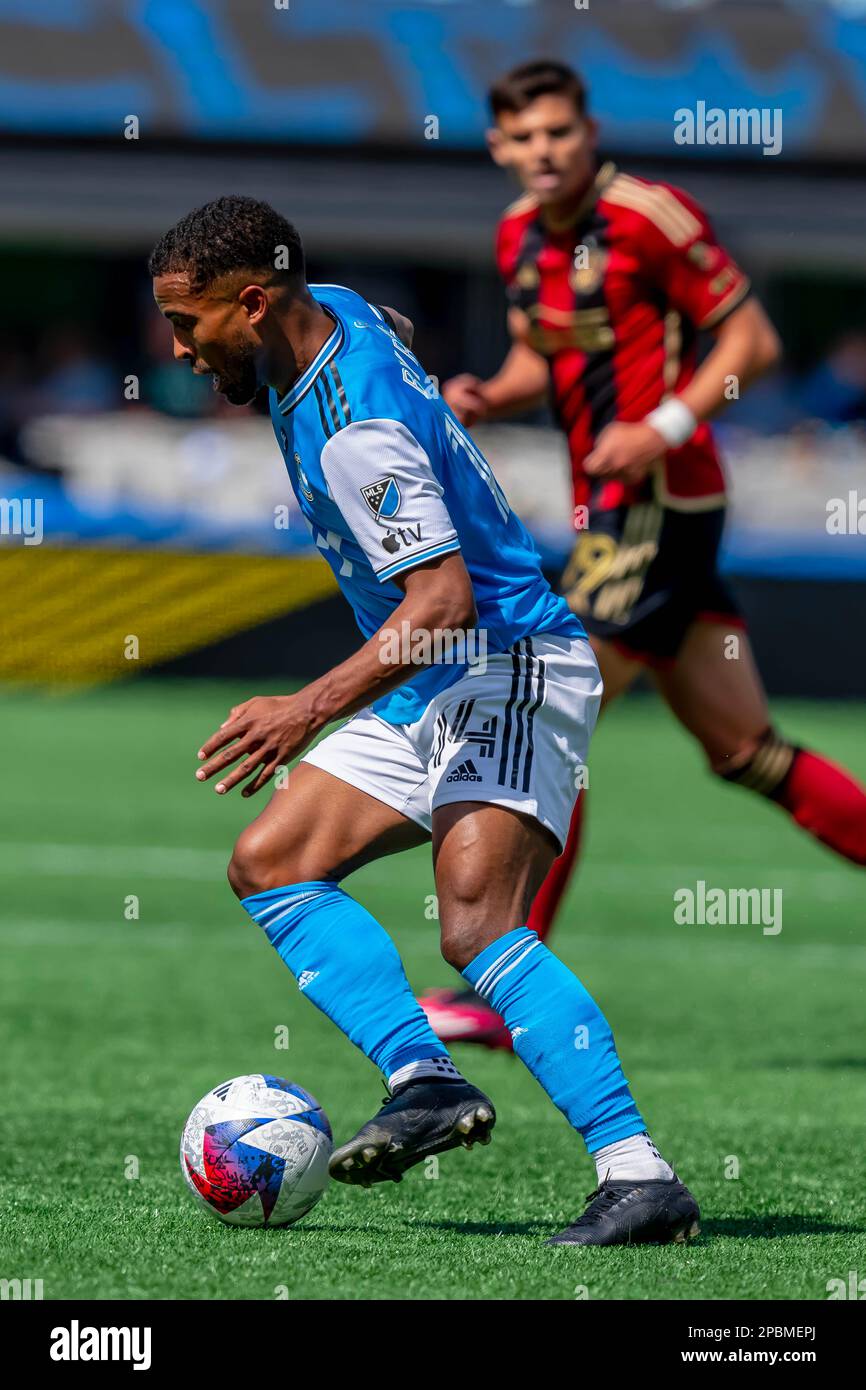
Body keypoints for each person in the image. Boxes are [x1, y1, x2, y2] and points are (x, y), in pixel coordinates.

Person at [149, 194, 700, 1246]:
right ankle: (424, 1079)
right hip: (427, 679)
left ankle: (639, 1174)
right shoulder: (339, 312)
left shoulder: (354, 432)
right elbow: (389, 339)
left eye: (190, 323)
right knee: (271, 860)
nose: (176, 347)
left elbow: (441, 604)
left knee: (474, 924)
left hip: (504, 661)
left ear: (256, 303)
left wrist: (299, 712)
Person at [419, 59, 866, 1051]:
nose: (542, 152)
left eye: (557, 133)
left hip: (665, 498)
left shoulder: (647, 216)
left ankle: (505, 979)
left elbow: (747, 340)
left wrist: (661, 423)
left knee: (544, 703)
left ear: (586, 132)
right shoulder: (516, 239)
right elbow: (547, 354)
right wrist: (490, 394)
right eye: (522, 138)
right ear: (497, 147)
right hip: (608, 512)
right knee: (744, 750)